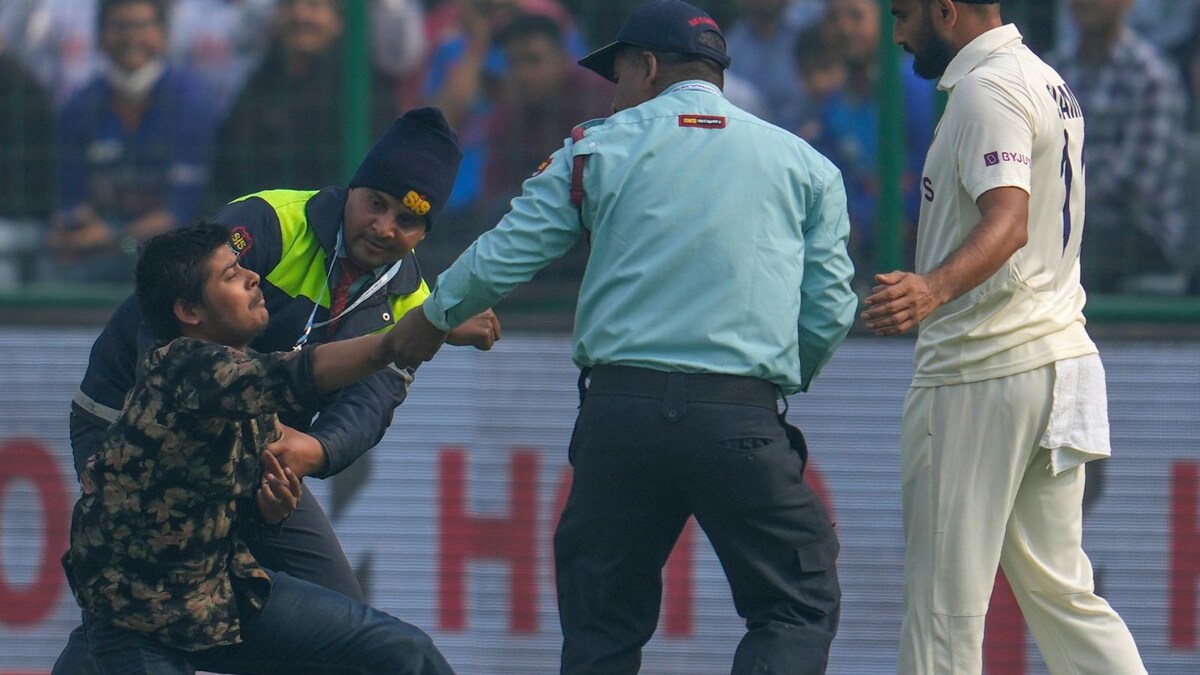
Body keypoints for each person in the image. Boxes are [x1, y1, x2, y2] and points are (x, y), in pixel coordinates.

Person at [389, 2, 857, 672]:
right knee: (792, 607)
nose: (615, 89)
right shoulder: (805, 165)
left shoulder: (597, 147)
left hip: (620, 416)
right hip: (740, 416)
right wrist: (774, 380)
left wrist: (428, 321)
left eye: (619, 73)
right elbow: (831, 307)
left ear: (645, 66)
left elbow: (504, 255)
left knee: (601, 630)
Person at [54, 106, 499, 675]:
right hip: (123, 419)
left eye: (408, 221)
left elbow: (367, 407)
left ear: (425, 232)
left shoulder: (408, 294)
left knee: (340, 626)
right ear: (351, 189)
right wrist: (423, 329)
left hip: (250, 447)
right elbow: (181, 339)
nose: (386, 227)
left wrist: (303, 456)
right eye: (377, 203)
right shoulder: (267, 223)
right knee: (143, 587)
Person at [863, 1, 1147, 673]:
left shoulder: (986, 89)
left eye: (904, 15)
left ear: (946, 11)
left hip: (980, 371)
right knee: (1064, 595)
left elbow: (1009, 219)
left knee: (943, 611)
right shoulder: (1046, 79)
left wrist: (930, 289)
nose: (897, 33)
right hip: (1059, 359)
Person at [49, 0, 219, 283]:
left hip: (178, 255)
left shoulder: (191, 102)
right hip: (96, 254)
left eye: (141, 25)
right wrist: (70, 228)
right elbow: (71, 197)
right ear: (100, 36)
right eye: (119, 26)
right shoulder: (80, 107)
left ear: (163, 35)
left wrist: (116, 237)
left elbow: (184, 210)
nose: (131, 37)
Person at [1050, 0, 1191, 294]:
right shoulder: (1051, 73)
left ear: (1128, 3)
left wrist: (1054, 192)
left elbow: (1133, 185)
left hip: (1143, 237)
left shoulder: (1152, 76)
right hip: (1066, 223)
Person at [819, 0, 935, 290]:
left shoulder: (915, 84)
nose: (844, 28)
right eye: (834, 18)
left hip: (921, 253)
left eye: (856, 16)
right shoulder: (833, 103)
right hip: (860, 253)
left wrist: (909, 220)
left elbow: (932, 161)